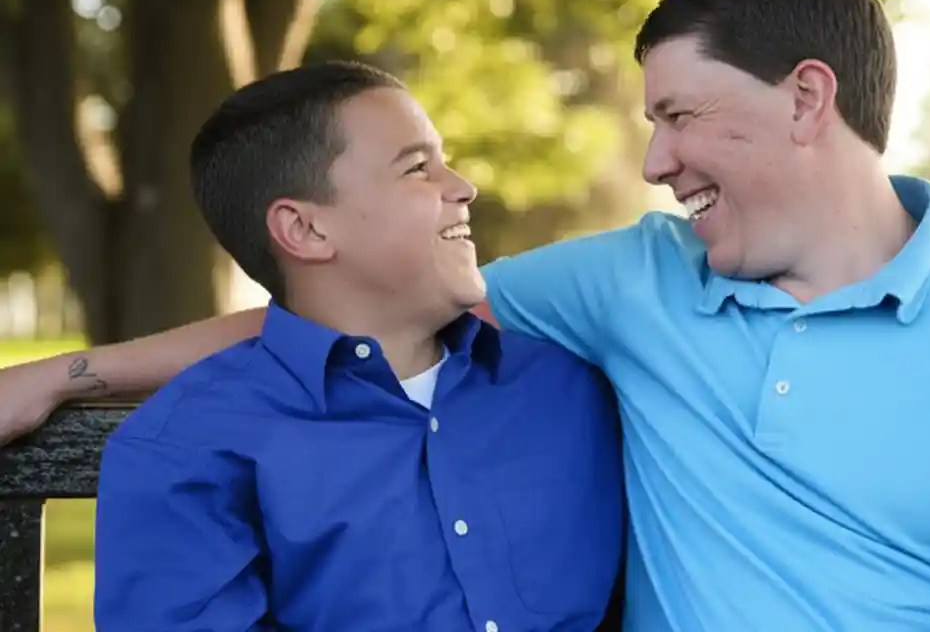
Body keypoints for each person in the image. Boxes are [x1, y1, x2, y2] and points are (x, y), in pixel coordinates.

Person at [1, 0, 930, 631]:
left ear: (805, 97)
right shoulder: (630, 282)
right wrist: (70, 372)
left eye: (678, 115)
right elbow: (344, 315)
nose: (652, 163)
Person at [89, 61, 625, 631]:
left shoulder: (569, 388)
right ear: (306, 230)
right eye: (418, 168)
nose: (464, 188)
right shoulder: (185, 447)